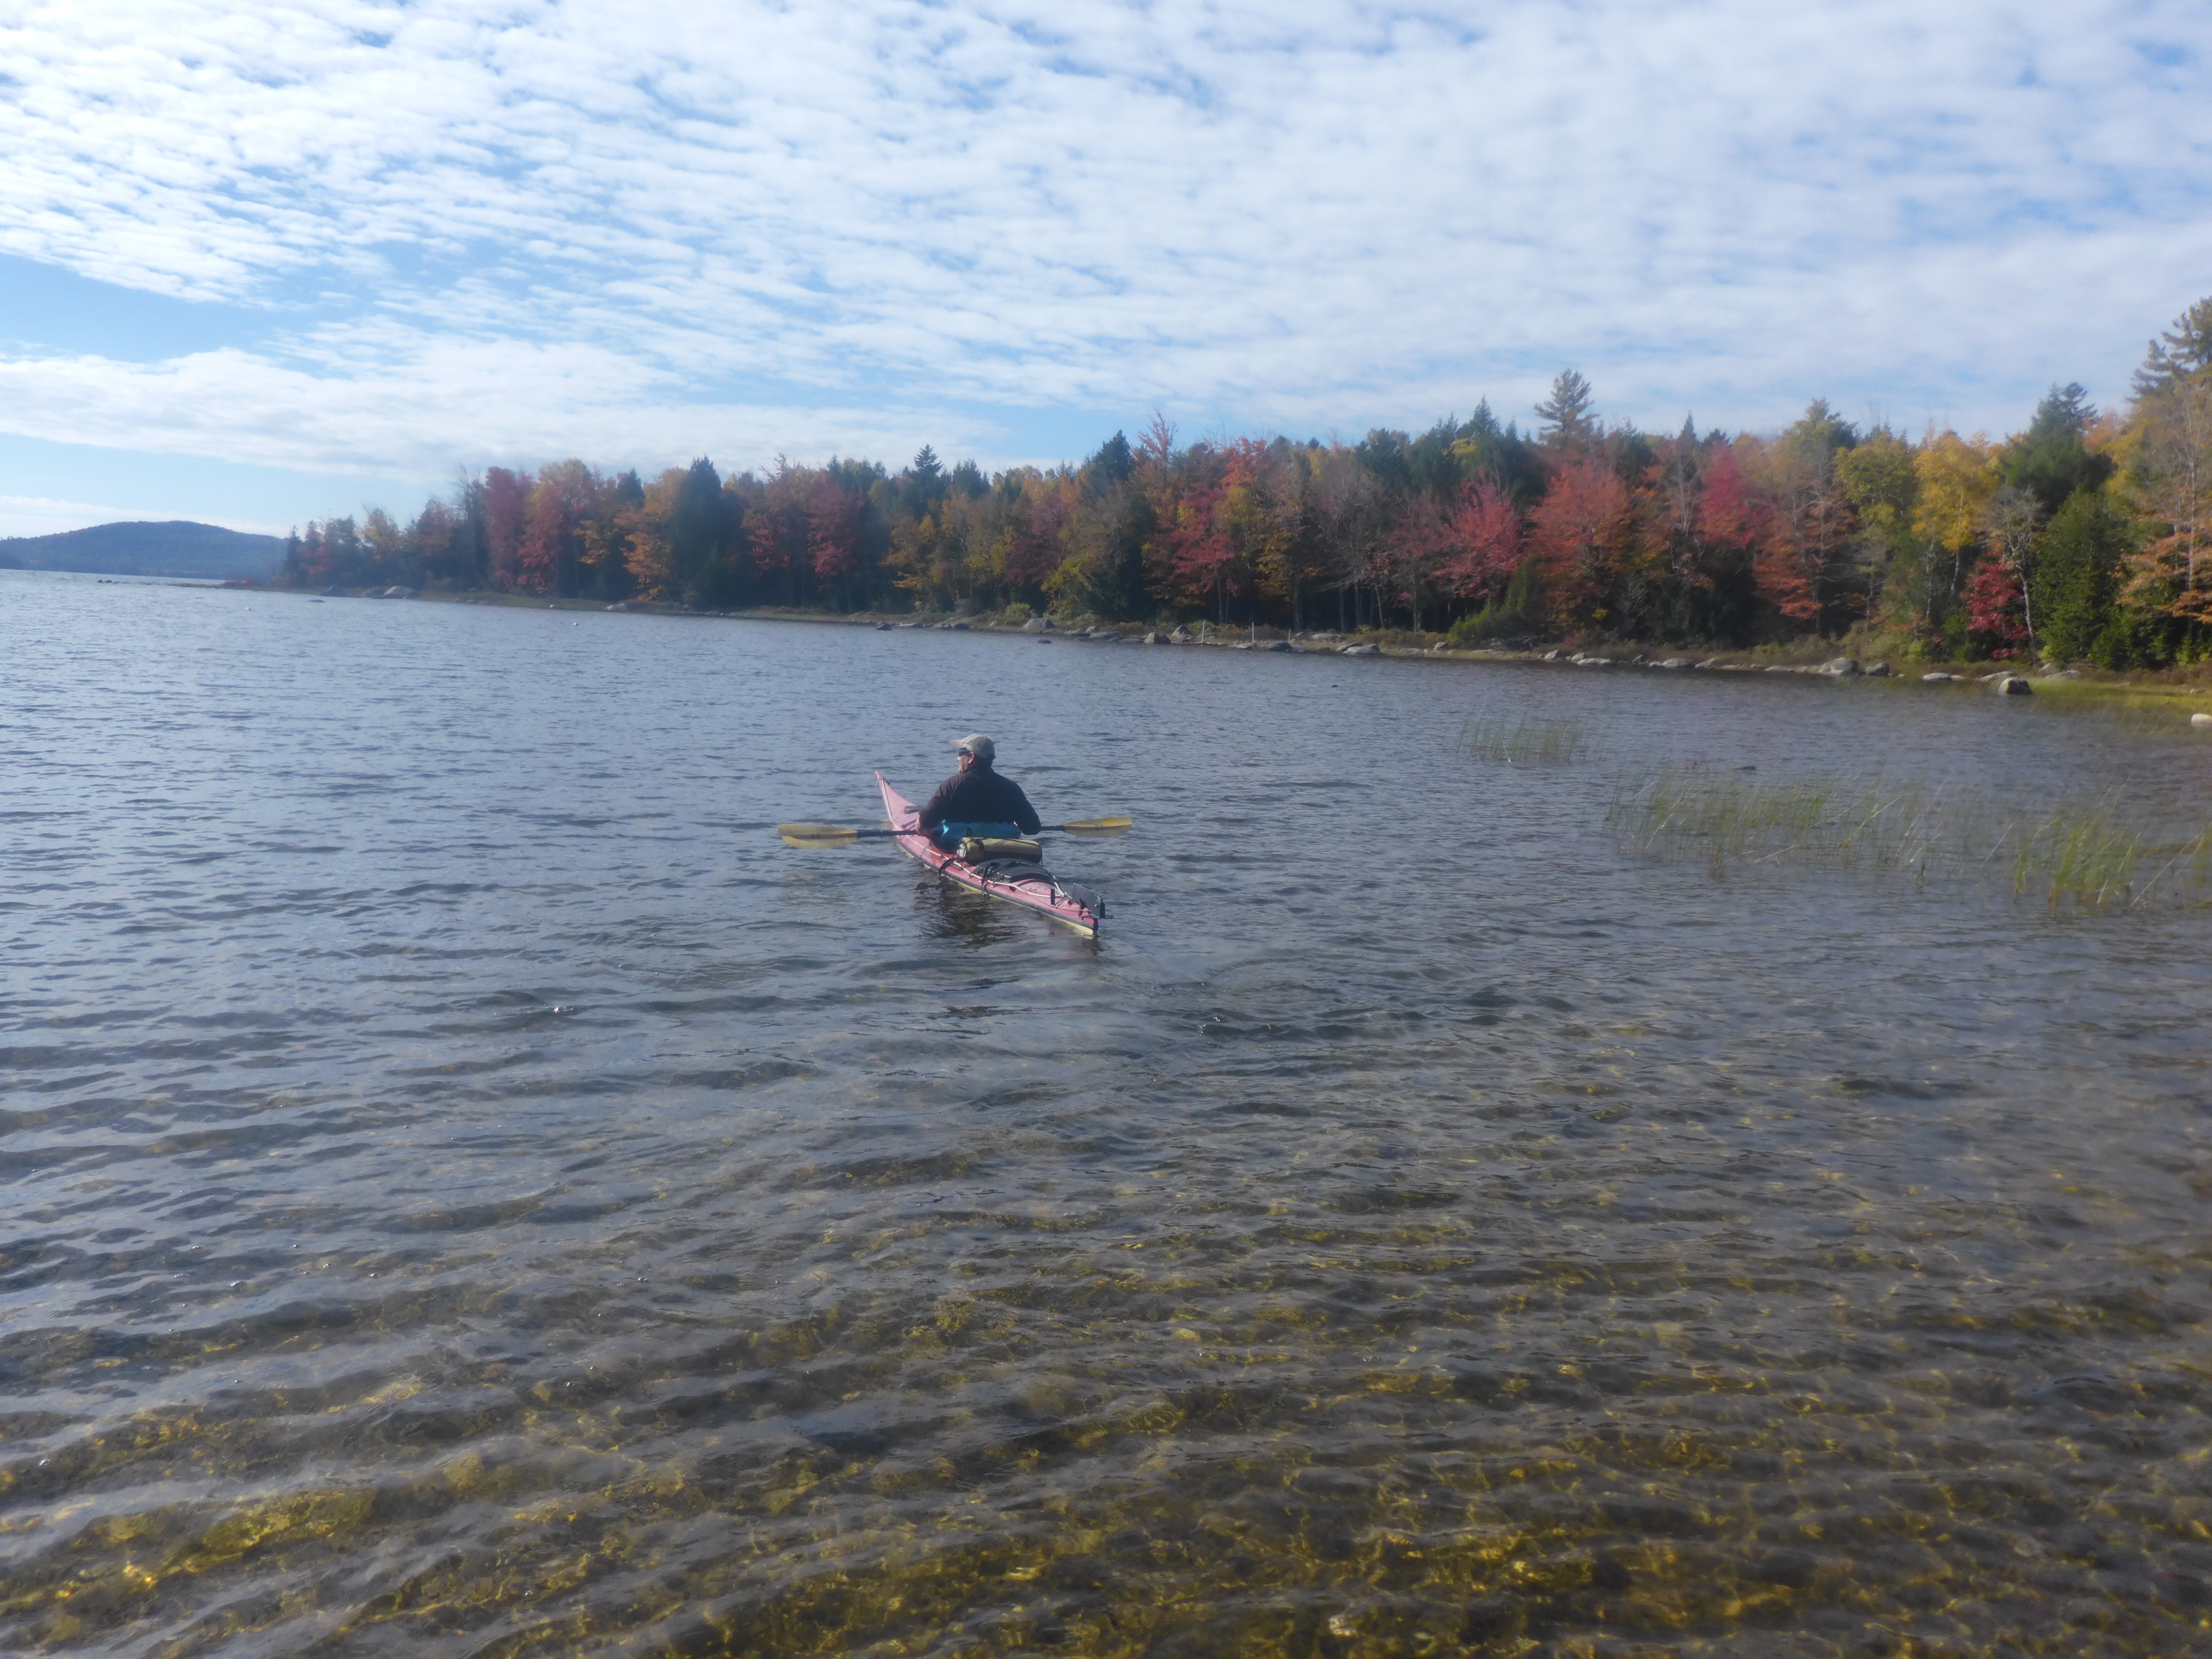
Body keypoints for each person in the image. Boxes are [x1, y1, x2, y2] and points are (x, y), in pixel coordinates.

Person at [916, 733, 1041, 849]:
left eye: (961, 754)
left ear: (972, 757)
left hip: (961, 851)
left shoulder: (952, 784)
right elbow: (1033, 829)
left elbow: (922, 827)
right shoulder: (1012, 787)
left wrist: (927, 828)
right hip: (1001, 849)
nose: (958, 759)